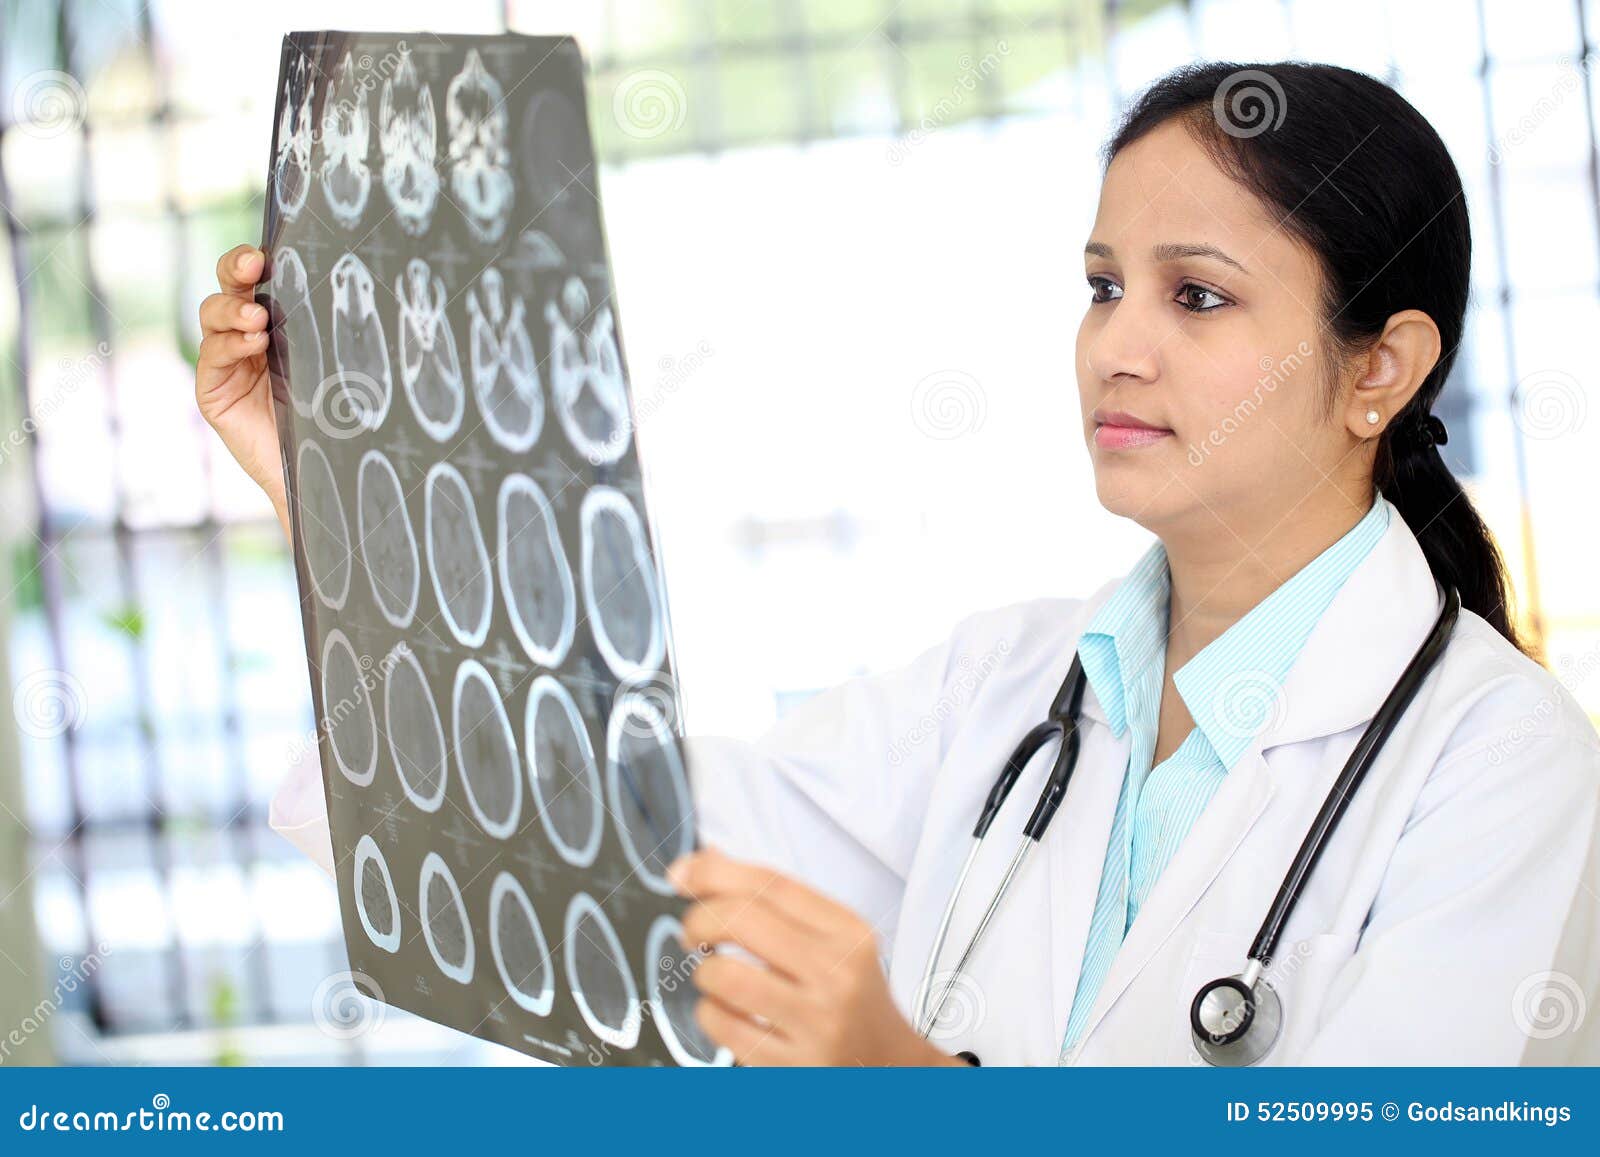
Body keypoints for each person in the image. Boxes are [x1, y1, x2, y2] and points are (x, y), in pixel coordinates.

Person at [196, 60, 1600, 1067]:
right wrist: (344, 513)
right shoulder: (1006, 687)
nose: (1119, 342)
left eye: (1198, 295)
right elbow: (618, 853)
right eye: (1104, 284)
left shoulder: (1496, 762)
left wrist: (900, 1089)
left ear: (1382, 368)